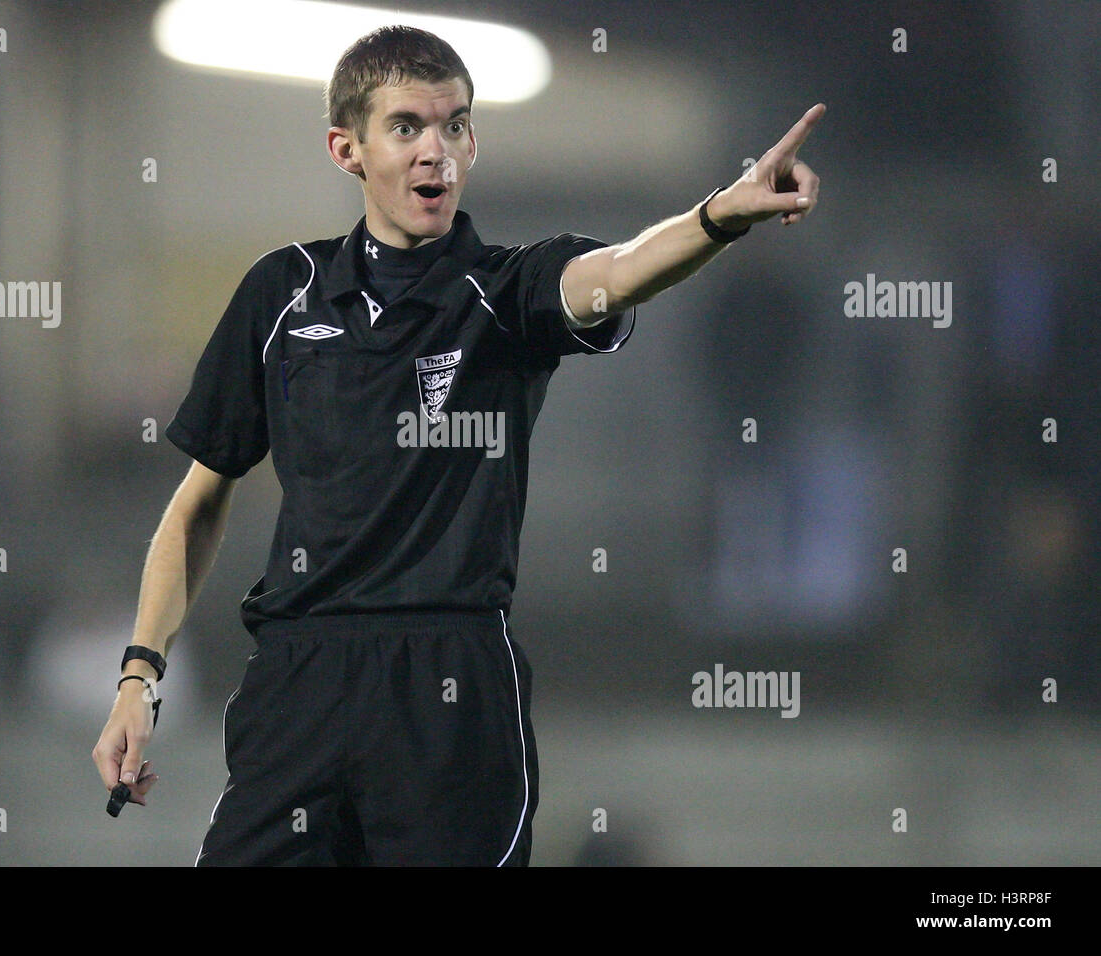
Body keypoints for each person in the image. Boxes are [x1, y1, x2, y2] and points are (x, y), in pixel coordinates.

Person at [92, 24, 822, 865]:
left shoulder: (506, 292)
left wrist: (722, 214)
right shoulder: (280, 296)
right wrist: (139, 680)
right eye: (406, 127)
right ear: (347, 148)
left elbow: (619, 271)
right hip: (300, 678)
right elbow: (198, 503)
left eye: (455, 125)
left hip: (450, 684)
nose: (435, 150)